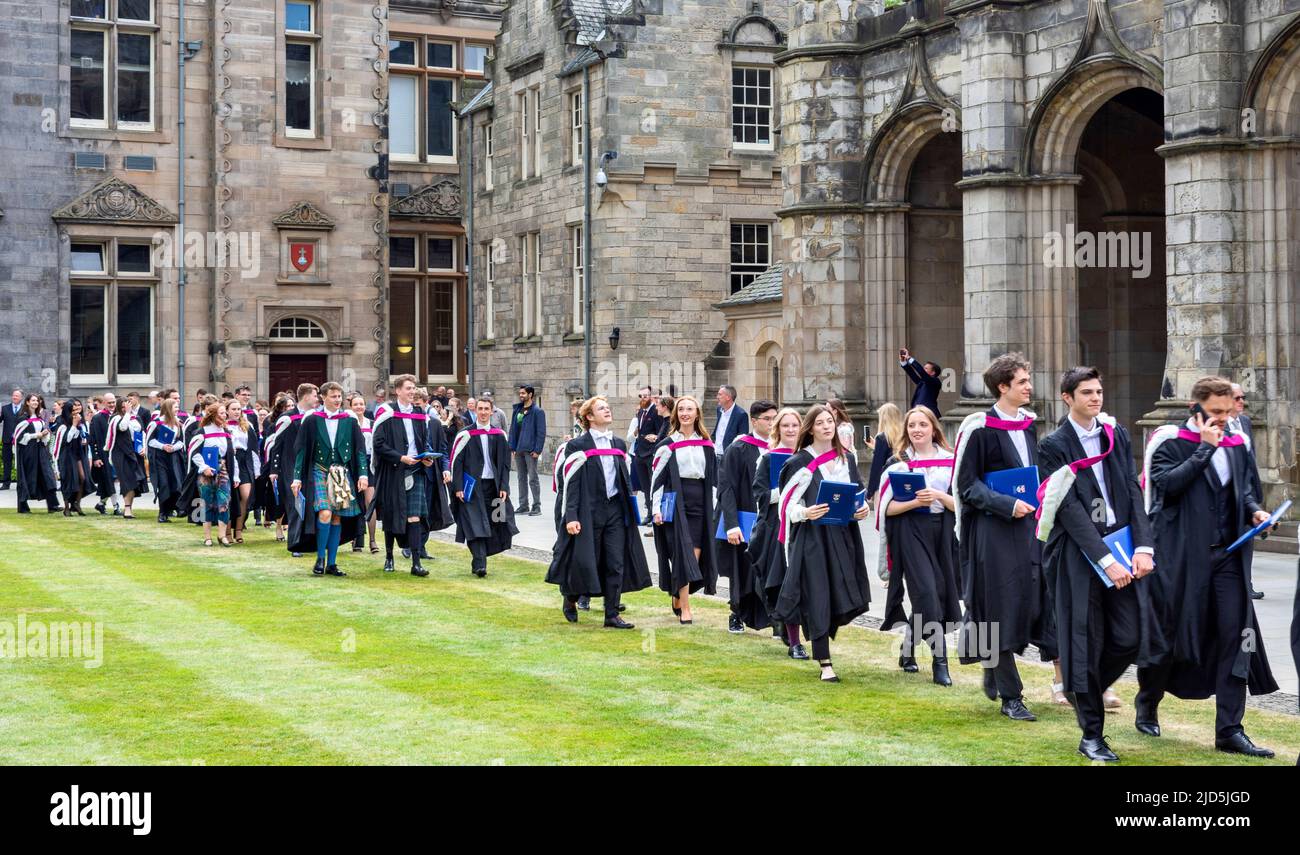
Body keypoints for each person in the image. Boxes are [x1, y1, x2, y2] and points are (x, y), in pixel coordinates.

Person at [1137, 376, 1279, 758]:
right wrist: (1202, 450)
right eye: (1214, 412)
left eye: (1227, 410)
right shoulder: (1168, 441)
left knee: (1235, 638)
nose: (1222, 419)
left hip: (1229, 557)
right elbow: (1165, 488)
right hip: (1181, 558)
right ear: (1194, 409)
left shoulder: (1238, 440)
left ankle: (1230, 729)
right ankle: (1148, 700)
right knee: (1170, 636)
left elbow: (1246, 489)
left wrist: (1256, 512)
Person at [1034, 367, 1161, 762]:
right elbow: (1069, 511)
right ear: (1067, 397)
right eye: (1086, 392)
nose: (1096, 398)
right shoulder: (1053, 444)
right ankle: (1092, 735)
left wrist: (1144, 547)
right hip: (1076, 555)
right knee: (1084, 643)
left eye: (1099, 391)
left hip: (1121, 545)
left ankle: (1080, 689)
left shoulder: (1115, 434)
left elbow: (1129, 486)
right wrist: (1104, 561)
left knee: (1129, 637)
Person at [953, 352, 1051, 722]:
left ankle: (993, 664)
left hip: (1027, 528)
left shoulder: (1028, 426)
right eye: (1023, 382)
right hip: (993, 531)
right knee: (1000, 607)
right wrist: (1006, 504)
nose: (1029, 387)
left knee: (1028, 604)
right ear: (1003, 387)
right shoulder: (980, 428)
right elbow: (967, 486)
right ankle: (1012, 696)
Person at [769, 404, 872, 682]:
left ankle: (824, 636)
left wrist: (862, 510)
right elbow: (786, 507)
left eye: (830, 421)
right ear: (810, 428)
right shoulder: (798, 463)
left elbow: (857, 495)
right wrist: (805, 512)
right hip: (813, 538)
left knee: (841, 593)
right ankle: (825, 662)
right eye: (820, 423)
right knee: (818, 594)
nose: (827, 426)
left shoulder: (847, 458)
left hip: (843, 535)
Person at [875, 406, 961, 686]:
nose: (917, 430)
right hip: (911, 533)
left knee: (937, 592)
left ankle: (907, 649)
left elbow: (962, 505)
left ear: (933, 428)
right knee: (926, 592)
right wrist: (915, 502)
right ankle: (940, 662)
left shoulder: (951, 462)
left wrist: (937, 495)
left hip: (943, 532)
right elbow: (885, 509)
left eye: (922, 424)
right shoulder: (897, 464)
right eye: (911, 425)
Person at [547, 396, 651, 626]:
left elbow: (624, 481)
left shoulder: (618, 444)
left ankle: (611, 613)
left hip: (614, 509)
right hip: (588, 511)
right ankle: (570, 597)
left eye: (607, 407)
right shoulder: (578, 446)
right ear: (589, 417)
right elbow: (571, 484)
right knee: (586, 560)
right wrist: (571, 516)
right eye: (601, 408)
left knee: (615, 561)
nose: (607, 410)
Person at [373, 376, 453, 576]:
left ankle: (416, 563)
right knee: (392, 515)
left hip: (416, 470)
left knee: (415, 517)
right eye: (408, 388)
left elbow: (424, 442)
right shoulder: (387, 412)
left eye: (413, 388)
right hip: (394, 470)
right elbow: (379, 444)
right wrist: (400, 458)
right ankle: (389, 557)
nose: (412, 391)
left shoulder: (420, 414)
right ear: (397, 391)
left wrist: (427, 458)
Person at [290, 382, 369, 577]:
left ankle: (332, 563)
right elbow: (301, 450)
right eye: (333, 396)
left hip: (341, 472)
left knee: (336, 517)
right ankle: (320, 558)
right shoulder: (312, 419)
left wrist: (363, 474)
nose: (337, 400)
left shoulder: (349, 420)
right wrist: (296, 477)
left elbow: (359, 450)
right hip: (320, 470)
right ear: (323, 397)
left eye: (339, 396)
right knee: (324, 513)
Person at [651, 395, 719, 623]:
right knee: (683, 555)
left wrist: (716, 508)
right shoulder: (667, 445)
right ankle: (686, 609)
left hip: (700, 503)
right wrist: (655, 509)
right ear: (675, 414)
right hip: (676, 503)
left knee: (695, 558)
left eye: (690, 409)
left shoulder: (708, 445)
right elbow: (656, 480)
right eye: (681, 409)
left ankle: (677, 593)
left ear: (697, 413)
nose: (685, 413)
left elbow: (714, 480)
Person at [749, 407, 808, 658]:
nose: (791, 430)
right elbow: (760, 495)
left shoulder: (811, 458)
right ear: (778, 429)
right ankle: (794, 639)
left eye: (795, 425)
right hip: (777, 527)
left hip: (807, 525)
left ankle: (795, 629)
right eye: (786, 426)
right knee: (786, 581)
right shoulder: (767, 458)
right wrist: (786, 495)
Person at [718, 400, 778, 635]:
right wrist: (731, 524)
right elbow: (727, 488)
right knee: (742, 571)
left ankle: (775, 618)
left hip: (773, 521)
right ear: (754, 421)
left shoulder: (782, 449)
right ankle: (737, 613)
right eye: (767, 418)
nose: (772, 422)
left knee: (772, 571)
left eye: (775, 417)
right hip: (745, 516)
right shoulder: (739, 448)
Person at [451, 398, 518, 577]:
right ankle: (481, 563)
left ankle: (479, 558)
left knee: (498, 522)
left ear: (491, 411)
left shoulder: (499, 434)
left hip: (494, 487)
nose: (482, 412)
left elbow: (505, 464)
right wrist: (457, 487)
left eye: (486, 409)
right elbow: (456, 463)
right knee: (474, 524)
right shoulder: (465, 435)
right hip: (471, 487)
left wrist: (504, 486)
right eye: (480, 409)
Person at [269, 384, 319, 558]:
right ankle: (295, 543)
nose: (317, 399)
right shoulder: (287, 418)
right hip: (290, 465)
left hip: (311, 466)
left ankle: (309, 541)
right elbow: (277, 444)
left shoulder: (315, 416)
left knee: (311, 503)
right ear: (305, 397)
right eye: (315, 395)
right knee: (295, 505)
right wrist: (274, 469)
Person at [1229, 382, 1266, 601]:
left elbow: (1250, 460)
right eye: (1237, 398)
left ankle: (1247, 583)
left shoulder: (1244, 422)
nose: (1242, 401)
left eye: (1243, 397)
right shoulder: (1220, 425)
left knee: (1248, 540)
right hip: (1230, 493)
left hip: (1248, 491)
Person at [191, 401, 239, 547]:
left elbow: (232, 456)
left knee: (224, 501)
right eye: (222, 413)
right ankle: (207, 537)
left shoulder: (227, 432)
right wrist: (204, 467)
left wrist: (236, 475)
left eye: (225, 413)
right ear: (213, 415)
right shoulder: (202, 432)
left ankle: (222, 535)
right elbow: (193, 453)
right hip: (206, 472)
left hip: (223, 470)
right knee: (206, 503)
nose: (225, 416)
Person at [13, 394, 58, 513]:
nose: (36, 402)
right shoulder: (22, 418)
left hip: (40, 449)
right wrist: (36, 435)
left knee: (48, 475)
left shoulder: (39, 418)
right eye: (33, 400)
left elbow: (44, 436)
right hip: (28, 451)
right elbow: (18, 437)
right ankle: (23, 506)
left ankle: (53, 505)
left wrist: (45, 435)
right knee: (27, 477)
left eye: (37, 400)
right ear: (27, 402)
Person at [258, 394, 295, 542]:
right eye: (287, 407)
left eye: (292, 406)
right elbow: (271, 445)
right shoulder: (273, 423)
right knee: (280, 497)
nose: (291, 409)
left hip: (292, 460)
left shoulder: (298, 420)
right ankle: (279, 525)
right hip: (278, 462)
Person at [348, 393, 380, 555]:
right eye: (355, 404)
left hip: (368, 464)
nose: (359, 407)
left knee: (370, 501)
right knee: (354, 502)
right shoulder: (347, 423)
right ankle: (356, 538)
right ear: (350, 406)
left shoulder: (372, 424)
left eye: (361, 404)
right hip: (352, 464)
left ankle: (373, 539)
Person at [106, 396, 148, 519]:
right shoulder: (116, 418)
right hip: (121, 454)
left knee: (135, 481)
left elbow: (142, 433)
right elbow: (123, 427)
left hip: (135, 453)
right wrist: (128, 414)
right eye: (123, 407)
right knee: (127, 481)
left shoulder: (137, 418)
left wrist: (144, 447)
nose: (125, 409)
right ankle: (127, 509)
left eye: (127, 406)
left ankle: (128, 507)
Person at [145, 399, 186, 523]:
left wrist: (173, 447)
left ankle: (173, 509)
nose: (177, 409)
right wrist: (163, 446)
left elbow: (181, 441)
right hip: (160, 458)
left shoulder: (178, 424)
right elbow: (149, 441)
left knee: (176, 484)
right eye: (175, 407)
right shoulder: (155, 424)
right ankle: (162, 513)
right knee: (164, 485)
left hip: (173, 457)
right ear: (168, 408)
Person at [508, 384, 547, 516]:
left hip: (530, 450)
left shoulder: (538, 411)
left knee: (533, 478)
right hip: (518, 449)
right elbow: (512, 429)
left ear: (530, 395)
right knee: (521, 478)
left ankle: (536, 506)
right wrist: (512, 447)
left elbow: (541, 432)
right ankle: (523, 505)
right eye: (520, 393)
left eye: (523, 393)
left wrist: (538, 450)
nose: (521, 395)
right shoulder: (517, 410)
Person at [53, 399, 93, 516]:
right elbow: (66, 440)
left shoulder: (80, 421)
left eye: (76, 410)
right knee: (68, 480)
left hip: (78, 452)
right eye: (73, 411)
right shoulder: (62, 422)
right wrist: (74, 425)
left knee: (82, 478)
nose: (76, 413)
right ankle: (66, 508)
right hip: (66, 454)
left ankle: (76, 503)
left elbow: (80, 436)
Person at [632, 386, 665, 524]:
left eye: (646, 395)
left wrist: (655, 437)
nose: (643, 398)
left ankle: (654, 513)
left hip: (651, 453)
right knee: (645, 486)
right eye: (641, 396)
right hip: (639, 453)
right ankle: (648, 513)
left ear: (651, 397)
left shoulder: (656, 412)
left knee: (652, 485)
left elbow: (661, 432)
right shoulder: (640, 412)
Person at [225, 399, 256, 543]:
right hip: (230, 460)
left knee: (246, 496)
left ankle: (238, 529)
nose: (237, 412)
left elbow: (254, 448)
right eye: (234, 409)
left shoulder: (247, 425)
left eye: (239, 409)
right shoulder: (223, 426)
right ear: (227, 411)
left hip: (244, 462)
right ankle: (227, 532)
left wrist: (256, 469)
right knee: (229, 497)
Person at [88, 392, 119, 515]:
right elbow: (93, 440)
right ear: (104, 403)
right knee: (110, 480)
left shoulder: (118, 416)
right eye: (109, 402)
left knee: (111, 480)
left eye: (113, 402)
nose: (112, 405)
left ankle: (101, 504)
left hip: (117, 453)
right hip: (104, 455)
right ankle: (116, 507)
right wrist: (95, 457)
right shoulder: (98, 418)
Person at [866, 402, 904, 498]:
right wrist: (876, 448)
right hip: (902, 481)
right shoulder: (904, 435)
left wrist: (870, 492)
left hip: (885, 483)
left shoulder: (882, 437)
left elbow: (877, 467)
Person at [899, 347, 943, 417]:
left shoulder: (935, 382)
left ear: (933, 372)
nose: (923, 369)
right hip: (918, 413)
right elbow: (912, 374)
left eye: (926, 368)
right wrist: (903, 361)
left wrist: (909, 358)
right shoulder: (923, 382)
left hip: (929, 415)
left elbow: (921, 372)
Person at [713, 384, 749, 452]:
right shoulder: (719, 410)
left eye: (720, 394)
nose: (717, 397)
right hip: (715, 453)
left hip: (729, 456)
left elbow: (742, 439)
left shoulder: (741, 414)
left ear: (728, 397)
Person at [1, 388, 23, 490]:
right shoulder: (4, 408)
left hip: (21, 441)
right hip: (7, 440)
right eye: (13, 395)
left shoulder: (25, 409)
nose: (14, 397)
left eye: (17, 396)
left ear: (21, 398)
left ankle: (22, 483)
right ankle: (6, 483)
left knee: (21, 462)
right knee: (7, 461)